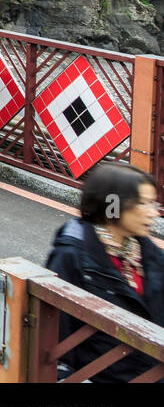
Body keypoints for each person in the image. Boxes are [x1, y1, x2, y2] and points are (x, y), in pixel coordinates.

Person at [45, 163, 164, 382]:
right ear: (113, 205)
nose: (154, 212)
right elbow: (56, 335)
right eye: (143, 203)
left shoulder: (149, 253)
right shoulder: (72, 256)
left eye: (153, 203)